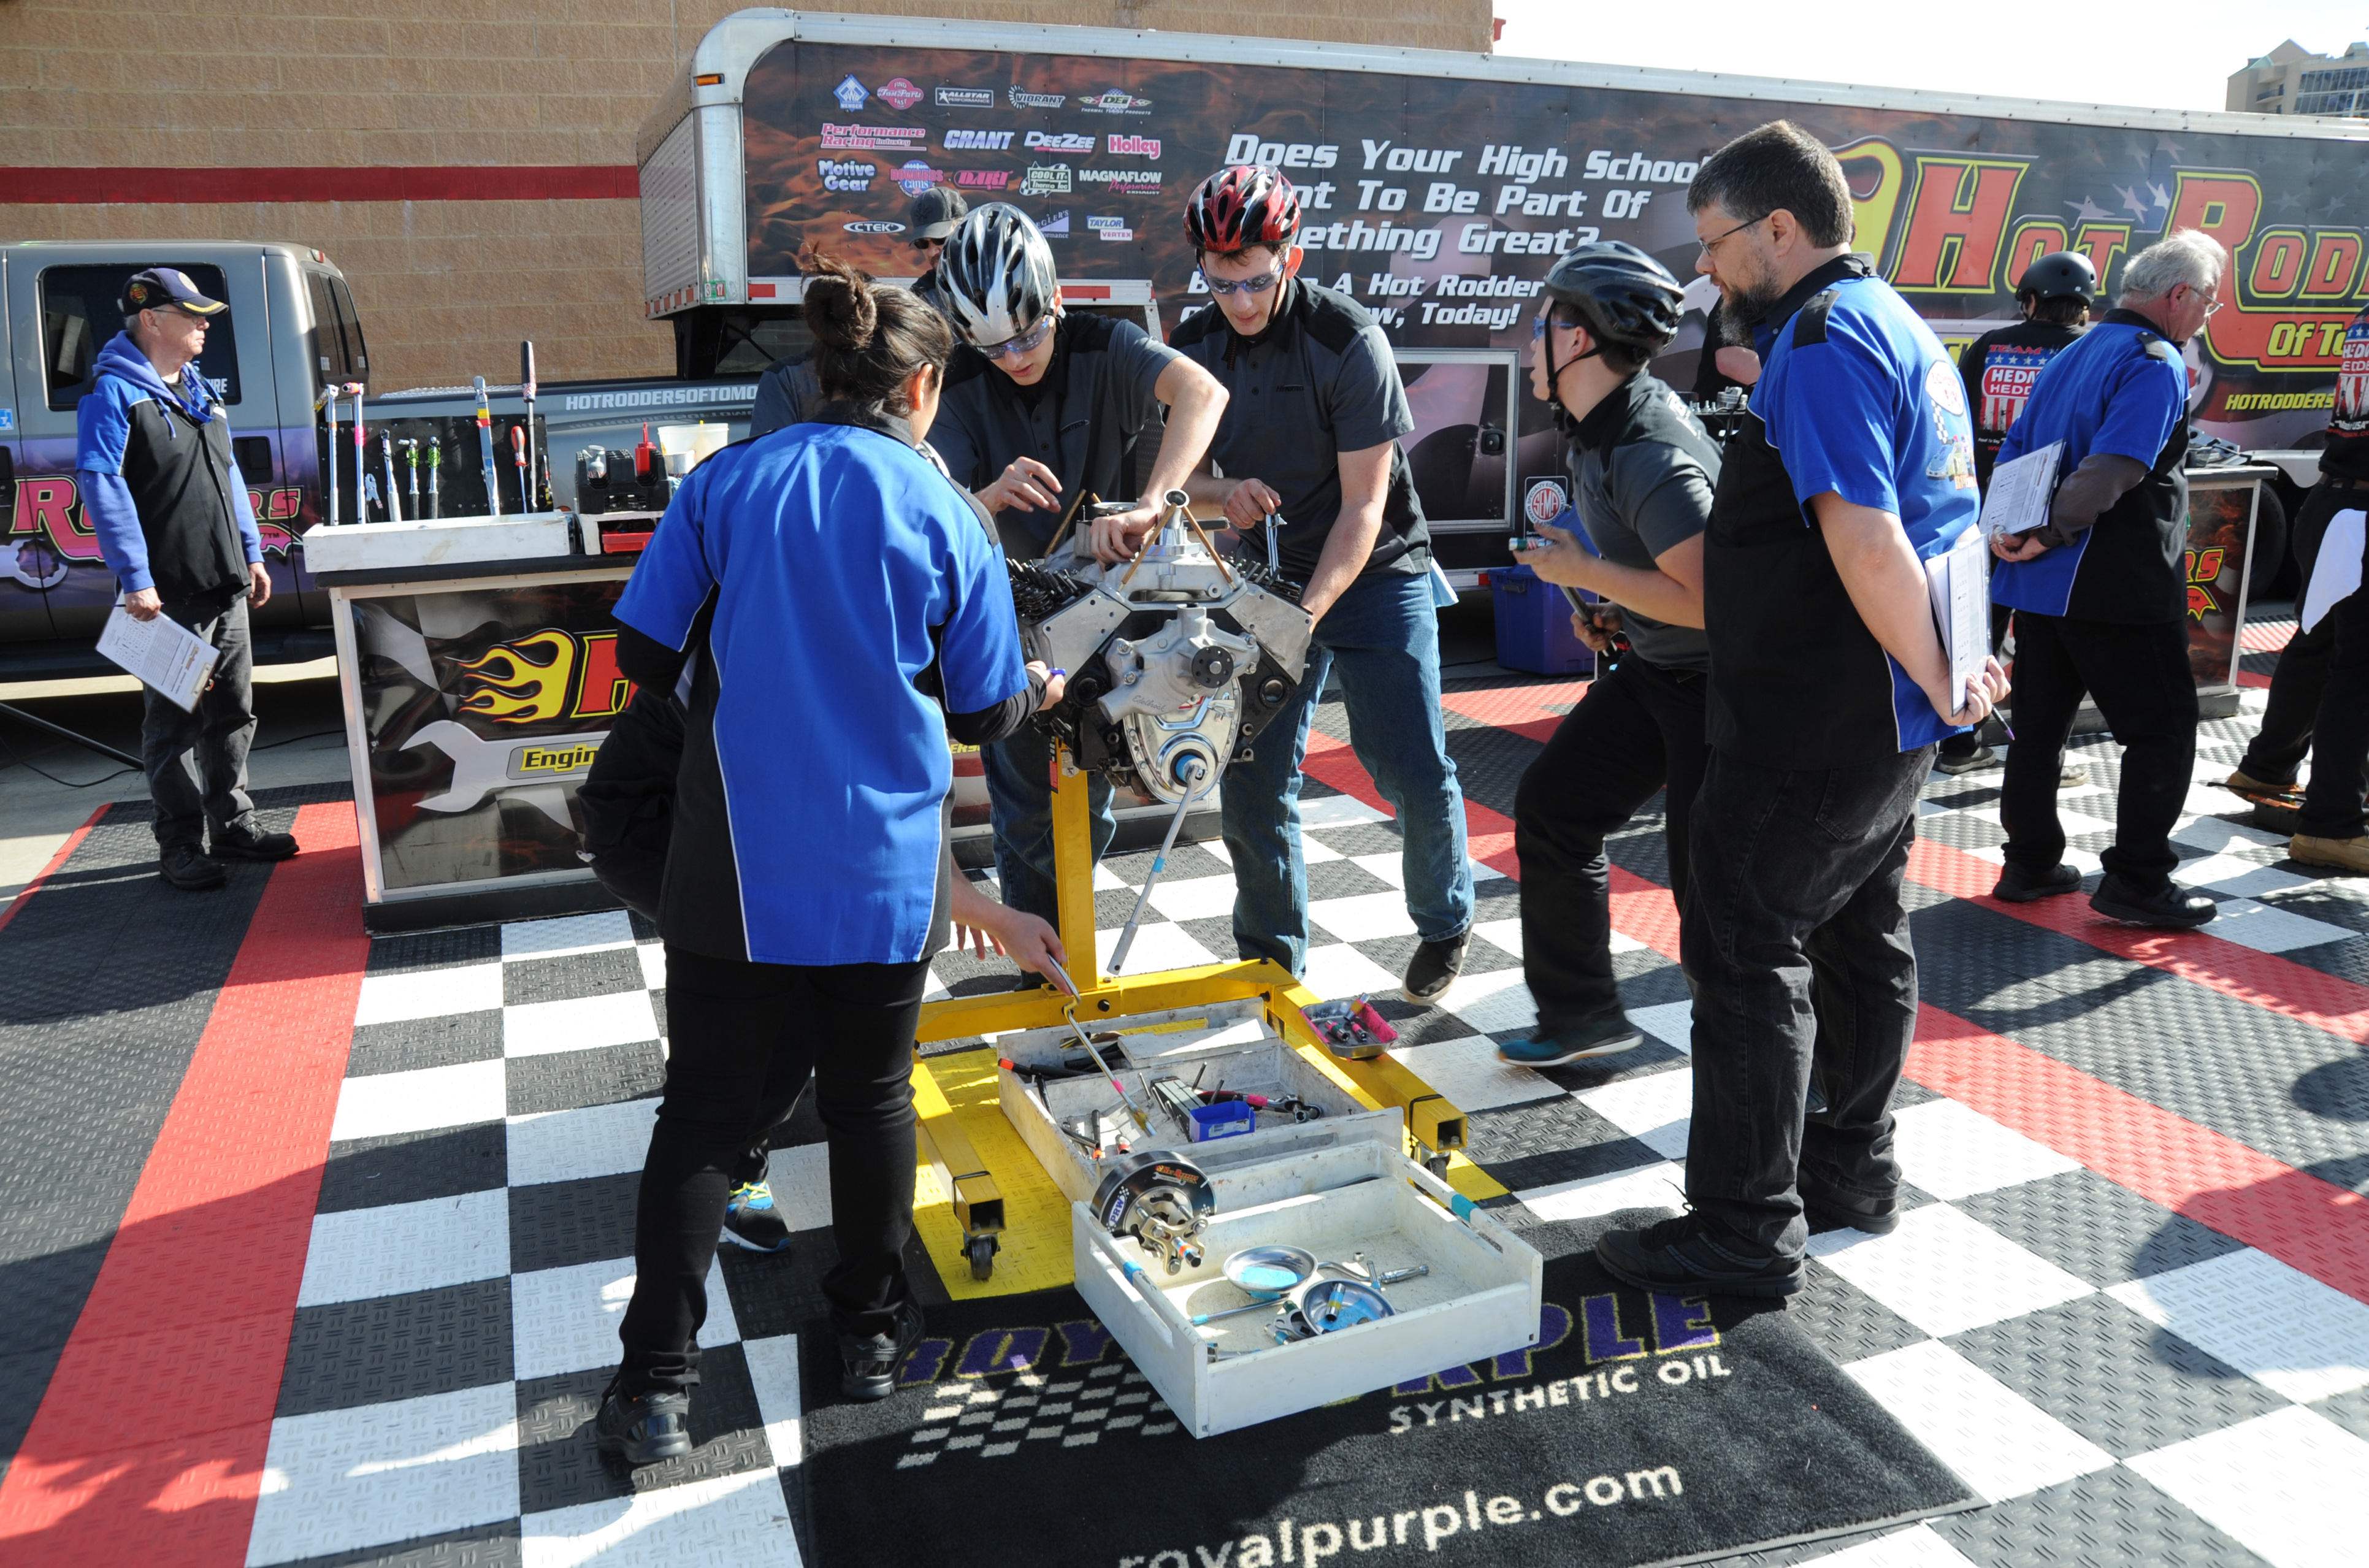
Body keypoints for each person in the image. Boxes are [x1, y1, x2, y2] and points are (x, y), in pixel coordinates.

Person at [596, 257, 1065, 1461]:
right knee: (867, 1104)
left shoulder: (726, 484)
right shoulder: (944, 508)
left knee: (701, 1118)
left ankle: (654, 1385)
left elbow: (642, 663)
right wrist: (1026, 688)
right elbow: (982, 712)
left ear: (822, 374)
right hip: (880, 871)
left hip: (731, 864)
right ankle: (864, 1334)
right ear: (922, 390)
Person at [1595, 122, 2007, 1296]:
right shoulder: (1899, 324)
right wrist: (1951, 671)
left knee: (1741, 950)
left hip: (1813, 713)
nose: (1705, 272)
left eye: (1715, 242)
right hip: (1879, 715)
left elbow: (1869, 540)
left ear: (1778, 229)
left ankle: (1740, 1229)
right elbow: (1940, 523)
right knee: (1858, 934)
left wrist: (1941, 674)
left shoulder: (1822, 339)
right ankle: (1849, 1169)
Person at [1168, 164, 1476, 1001]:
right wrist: (1215, 493)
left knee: (1405, 764)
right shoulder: (1191, 347)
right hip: (1266, 572)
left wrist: (1301, 618)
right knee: (1252, 772)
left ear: (1290, 259)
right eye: (1218, 280)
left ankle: (1444, 919)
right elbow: (1171, 483)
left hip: (1374, 570)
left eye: (1255, 281)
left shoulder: (1347, 341)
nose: (1237, 300)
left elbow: (1364, 506)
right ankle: (1269, 959)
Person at [926, 204, 1229, 925]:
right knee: (1031, 814)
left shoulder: (1106, 345)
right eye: (994, 348)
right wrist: (983, 499)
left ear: (1056, 298)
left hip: (1109, 614)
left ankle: (1067, 962)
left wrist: (1154, 502)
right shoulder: (958, 380)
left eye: (1028, 335)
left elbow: (1202, 393)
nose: (1016, 358)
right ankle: (1047, 978)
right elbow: (924, 506)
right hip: (1012, 620)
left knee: (1088, 806)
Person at [1496, 243, 1716, 1065]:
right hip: (1657, 670)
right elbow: (1661, 580)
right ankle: (1582, 1017)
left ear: (1579, 339)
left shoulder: (1645, 448)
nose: (1528, 344)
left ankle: (1774, 1095)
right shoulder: (1596, 422)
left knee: (1713, 907)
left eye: (1541, 323)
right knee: (1553, 810)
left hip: (1718, 691)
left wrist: (1584, 570)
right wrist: (1609, 605)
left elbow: (1708, 598)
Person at [1989, 230, 2230, 928]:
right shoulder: (2154, 361)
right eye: (2207, 304)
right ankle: (2136, 877)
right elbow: (2114, 468)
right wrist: (2047, 532)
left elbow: (2017, 444)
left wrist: (2008, 528)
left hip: (2042, 585)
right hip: (2113, 582)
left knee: (2037, 727)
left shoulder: (2073, 351)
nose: (2205, 318)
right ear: (2177, 296)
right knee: (2163, 728)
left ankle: (2029, 862)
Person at [76, 266, 297, 890]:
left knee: (234, 711)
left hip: (225, 580)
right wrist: (135, 577)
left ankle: (232, 823)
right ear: (151, 319)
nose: (205, 325)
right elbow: (101, 483)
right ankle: (179, 842)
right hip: (165, 593)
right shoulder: (114, 393)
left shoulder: (197, 389)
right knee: (173, 726)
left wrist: (252, 552)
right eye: (192, 314)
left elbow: (227, 478)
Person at [2221, 300, 2369, 874]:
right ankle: (2331, 823)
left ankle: (2267, 766)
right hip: (2357, 506)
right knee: (2356, 671)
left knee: (2314, 647)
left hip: (2332, 500)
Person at [1935, 251, 2095, 777]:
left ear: (2029, 301)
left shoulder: (1987, 346)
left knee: (1974, 625)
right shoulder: (2087, 352)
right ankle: (2035, 751)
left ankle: (1959, 741)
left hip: (1982, 502)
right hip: (2048, 516)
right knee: (2042, 640)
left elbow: (1951, 413)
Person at [749, 187, 970, 438]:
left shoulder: (1000, 280)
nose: (932, 251)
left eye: (940, 239)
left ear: (963, 229)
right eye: (923, 243)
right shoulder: (920, 300)